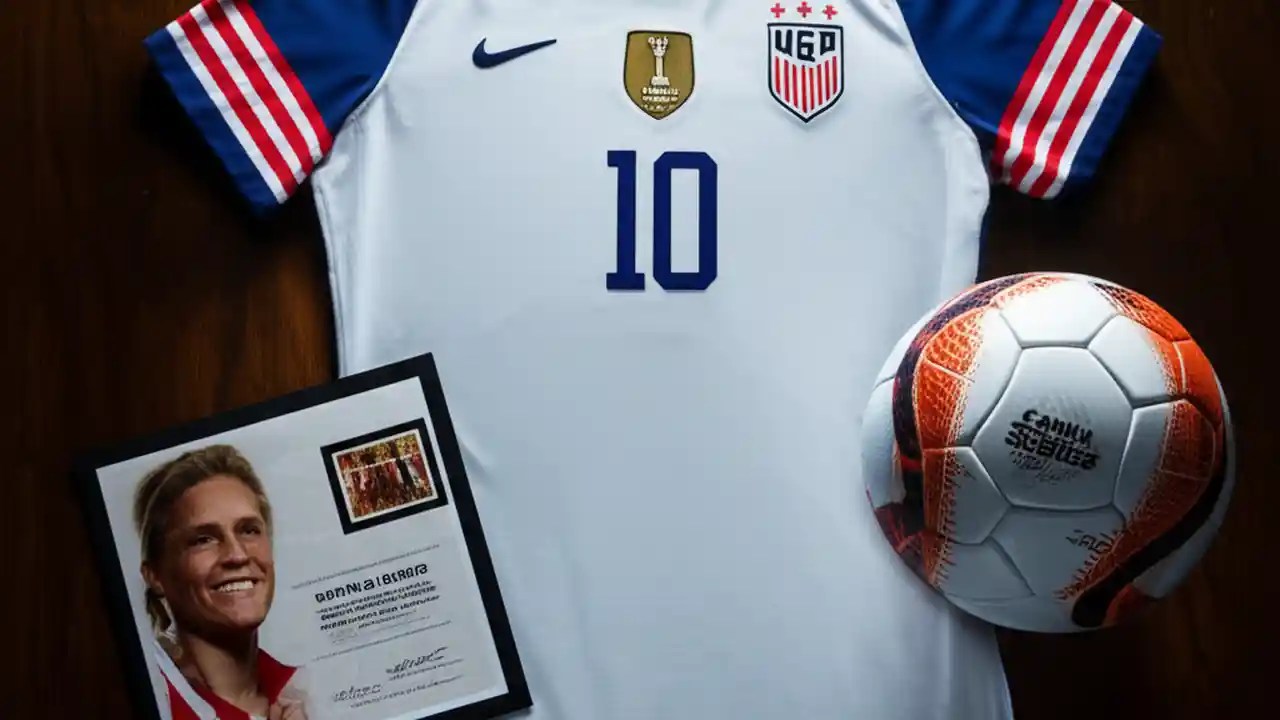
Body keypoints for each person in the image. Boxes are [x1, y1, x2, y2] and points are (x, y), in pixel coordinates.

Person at [133, 444, 311, 720]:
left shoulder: (310, 691)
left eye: (249, 530)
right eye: (203, 539)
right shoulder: (147, 701)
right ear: (155, 575)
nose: (237, 555)